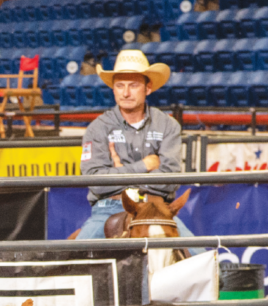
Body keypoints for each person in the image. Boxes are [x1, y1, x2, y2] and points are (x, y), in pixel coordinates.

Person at [75, 49, 195, 241]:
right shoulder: (97, 128)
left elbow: (170, 178)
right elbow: (95, 181)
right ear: (113, 89)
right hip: (109, 209)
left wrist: (119, 175)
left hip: (157, 209)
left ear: (148, 88)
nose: (126, 93)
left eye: (134, 85)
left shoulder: (167, 125)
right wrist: (144, 166)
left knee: (199, 256)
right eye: (120, 85)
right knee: (78, 255)